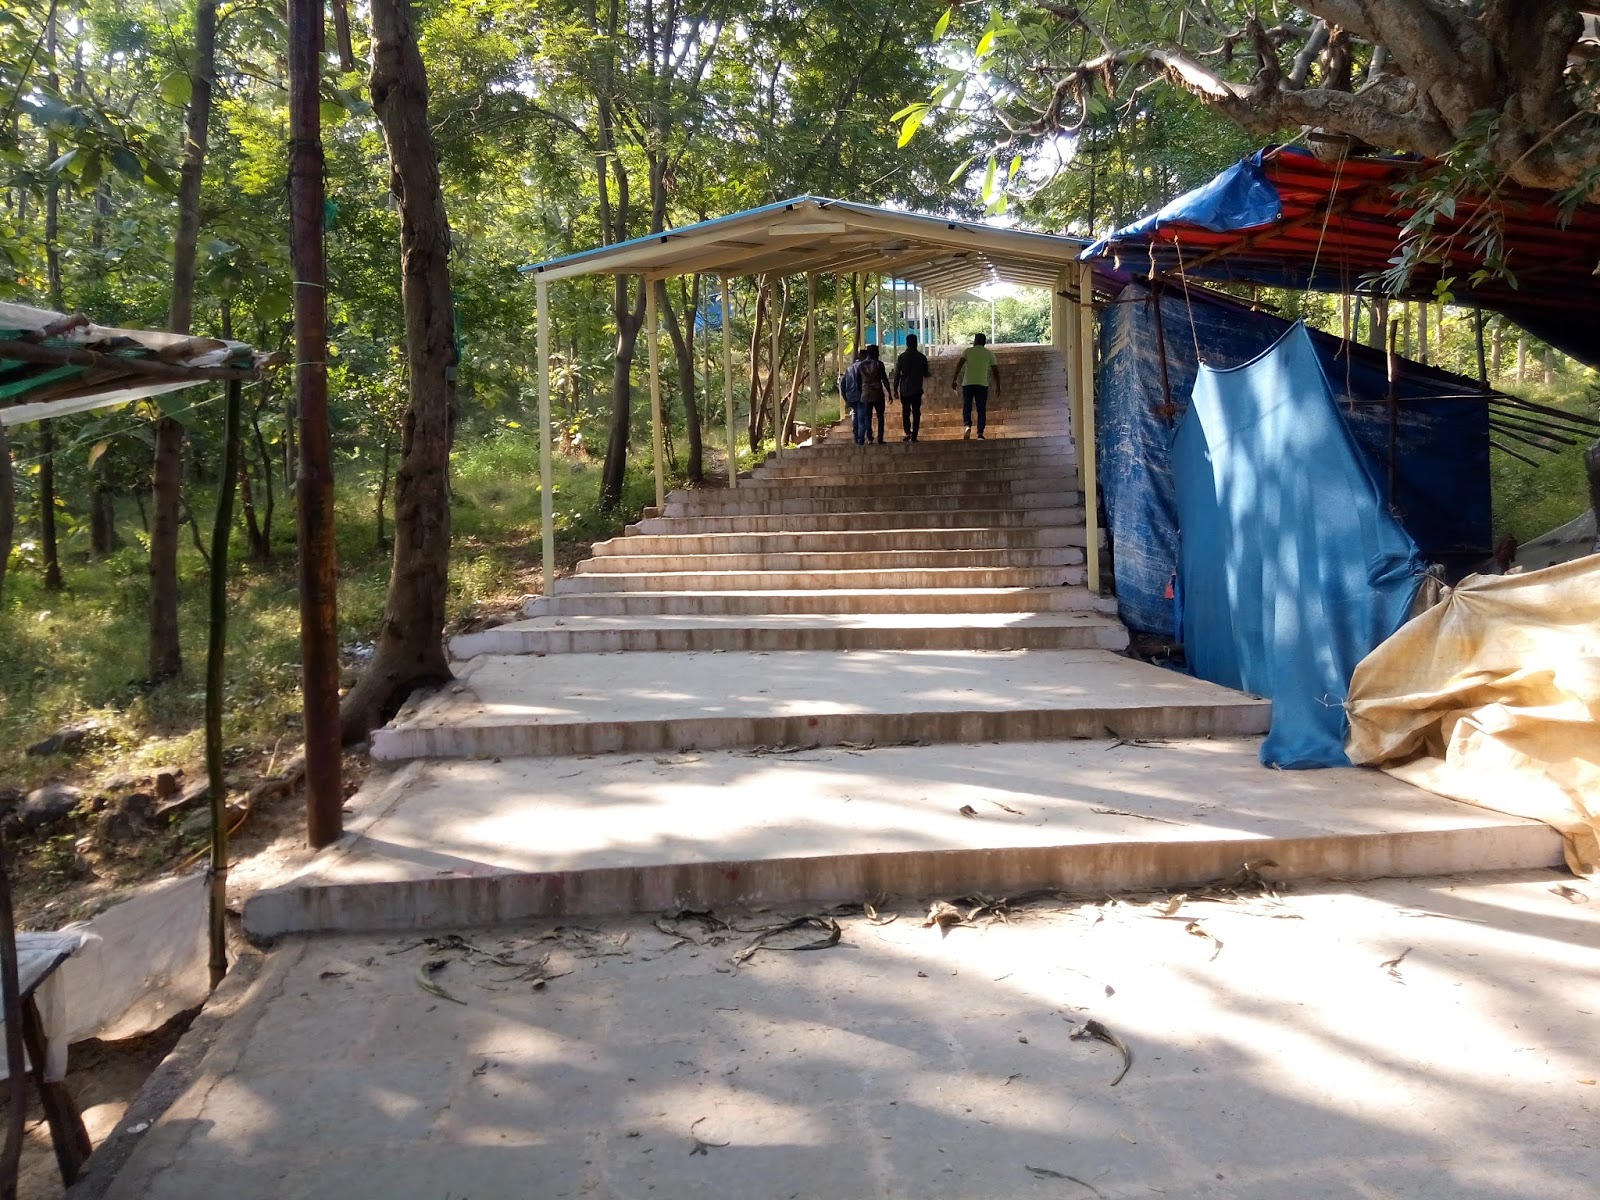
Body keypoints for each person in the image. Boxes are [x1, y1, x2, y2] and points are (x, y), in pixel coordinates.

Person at [949, 332, 1002, 439]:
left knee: (967, 406)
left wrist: (954, 379)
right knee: (981, 409)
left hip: (968, 383)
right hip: (982, 384)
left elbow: (959, 365)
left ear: (975, 341)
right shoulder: (989, 354)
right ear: (984, 343)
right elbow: (995, 371)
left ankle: (967, 425)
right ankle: (980, 433)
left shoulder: (968, 351)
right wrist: (998, 386)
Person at [892, 333, 931, 442]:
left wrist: (895, 389)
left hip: (904, 389)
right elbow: (926, 373)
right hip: (917, 389)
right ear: (916, 343)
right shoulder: (922, 357)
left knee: (905, 411)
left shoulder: (901, 357)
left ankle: (908, 432)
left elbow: (897, 374)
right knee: (916, 411)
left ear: (907, 343)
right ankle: (914, 434)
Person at [858, 344, 892, 444]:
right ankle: (880, 437)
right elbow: (884, 379)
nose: (878, 354)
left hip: (866, 393)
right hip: (878, 393)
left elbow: (858, 382)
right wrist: (889, 392)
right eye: (877, 352)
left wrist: (860, 393)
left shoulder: (861, 365)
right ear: (874, 353)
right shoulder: (879, 364)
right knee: (880, 416)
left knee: (867, 416)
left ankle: (869, 437)